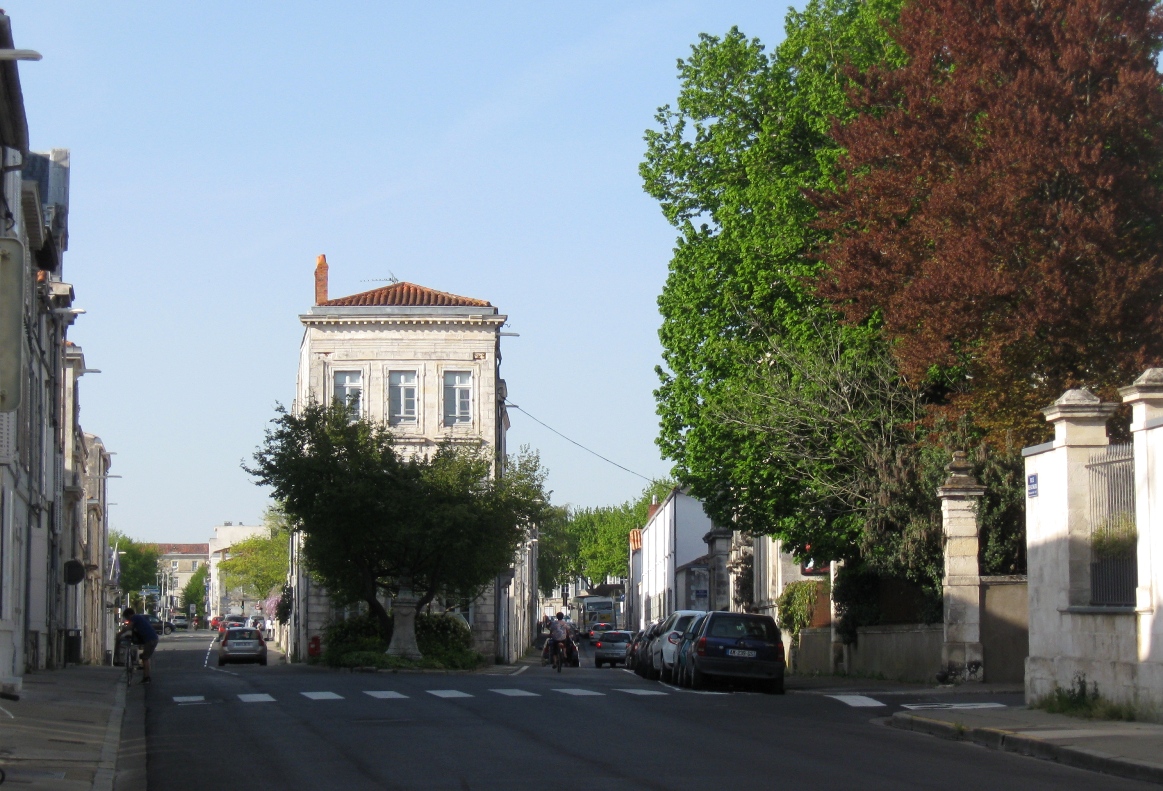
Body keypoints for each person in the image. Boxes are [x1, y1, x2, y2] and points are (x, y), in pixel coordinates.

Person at [118, 607, 159, 684]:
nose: (128, 620)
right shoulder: (139, 618)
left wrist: (120, 634)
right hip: (151, 639)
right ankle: (146, 676)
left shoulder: (135, 617)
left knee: (145, 658)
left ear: (129, 615)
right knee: (144, 657)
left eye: (127, 617)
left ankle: (146, 677)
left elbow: (129, 627)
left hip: (150, 640)